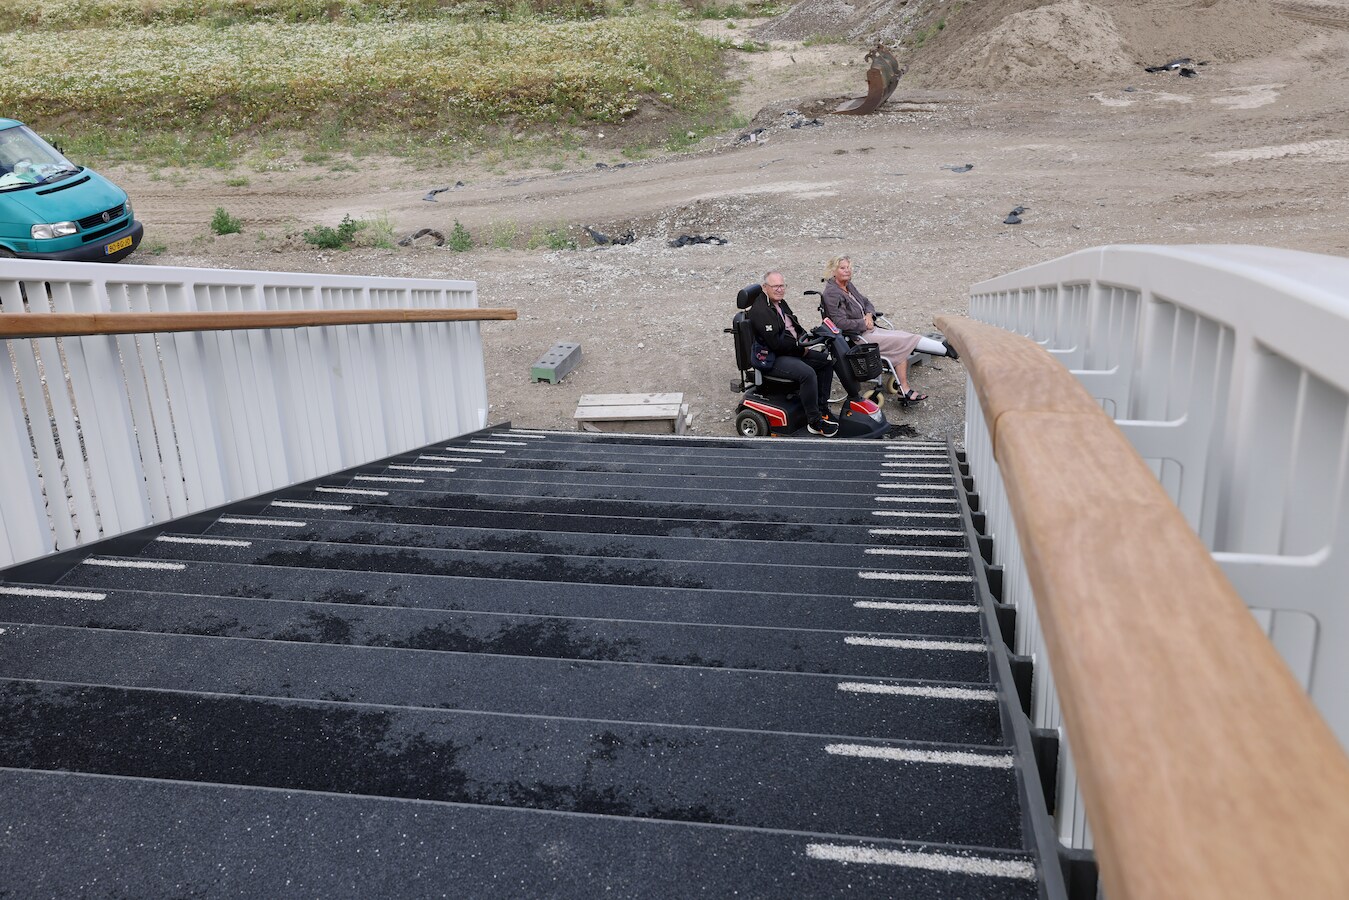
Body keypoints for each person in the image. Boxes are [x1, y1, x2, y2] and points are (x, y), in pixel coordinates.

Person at [820, 256, 958, 403]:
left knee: (903, 336)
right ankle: (944, 350)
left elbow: (866, 302)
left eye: (848, 267)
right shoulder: (832, 293)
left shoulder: (847, 285)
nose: (847, 271)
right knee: (903, 340)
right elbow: (839, 323)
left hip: (869, 330)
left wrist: (868, 315)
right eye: (843, 268)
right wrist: (863, 323)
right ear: (833, 271)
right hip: (859, 337)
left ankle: (906, 386)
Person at [746, 270, 864, 437]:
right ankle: (814, 423)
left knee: (826, 362)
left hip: (791, 350)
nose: (780, 289)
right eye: (775, 286)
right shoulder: (760, 311)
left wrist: (806, 338)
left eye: (782, 285)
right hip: (771, 358)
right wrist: (802, 349)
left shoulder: (780, 302)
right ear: (765, 287)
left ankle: (821, 410)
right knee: (807, 373)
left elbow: (794, 326)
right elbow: (776, 344)